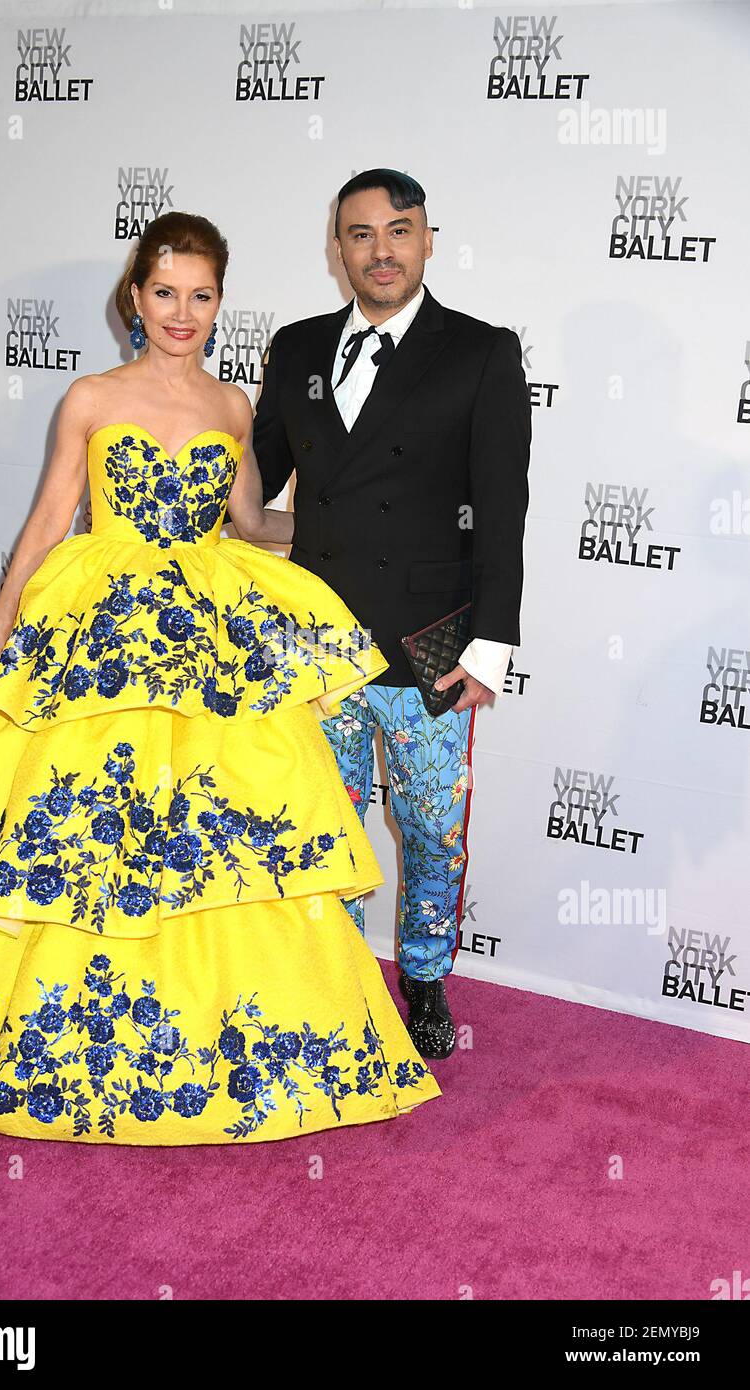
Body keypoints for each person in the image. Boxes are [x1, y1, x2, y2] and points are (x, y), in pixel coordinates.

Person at [0, 211, 441, 1145]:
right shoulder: (91, 399)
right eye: (166, 291)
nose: (183, 312)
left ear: (220, 304)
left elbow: (254, 524)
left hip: (204, 634)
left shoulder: (232, 407)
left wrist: (363, 527)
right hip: (100, 624)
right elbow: (48, 521)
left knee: (214, 835)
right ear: (135, 297)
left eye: (203, 295)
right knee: (78, 827)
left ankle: (212, 1045)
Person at [252, 170, 531, 1060]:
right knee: (318, 820)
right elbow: (253, 485)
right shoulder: (294, 348)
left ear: (427, 240)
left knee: (428, 828)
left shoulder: (481, 352)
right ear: (338, 248)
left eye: (398, 231)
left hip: (433, 642)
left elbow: (502, 506)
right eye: (360, 234)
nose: (380, 251)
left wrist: (490, 645)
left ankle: (421, 976)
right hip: (316, 640)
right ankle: (332, 975)